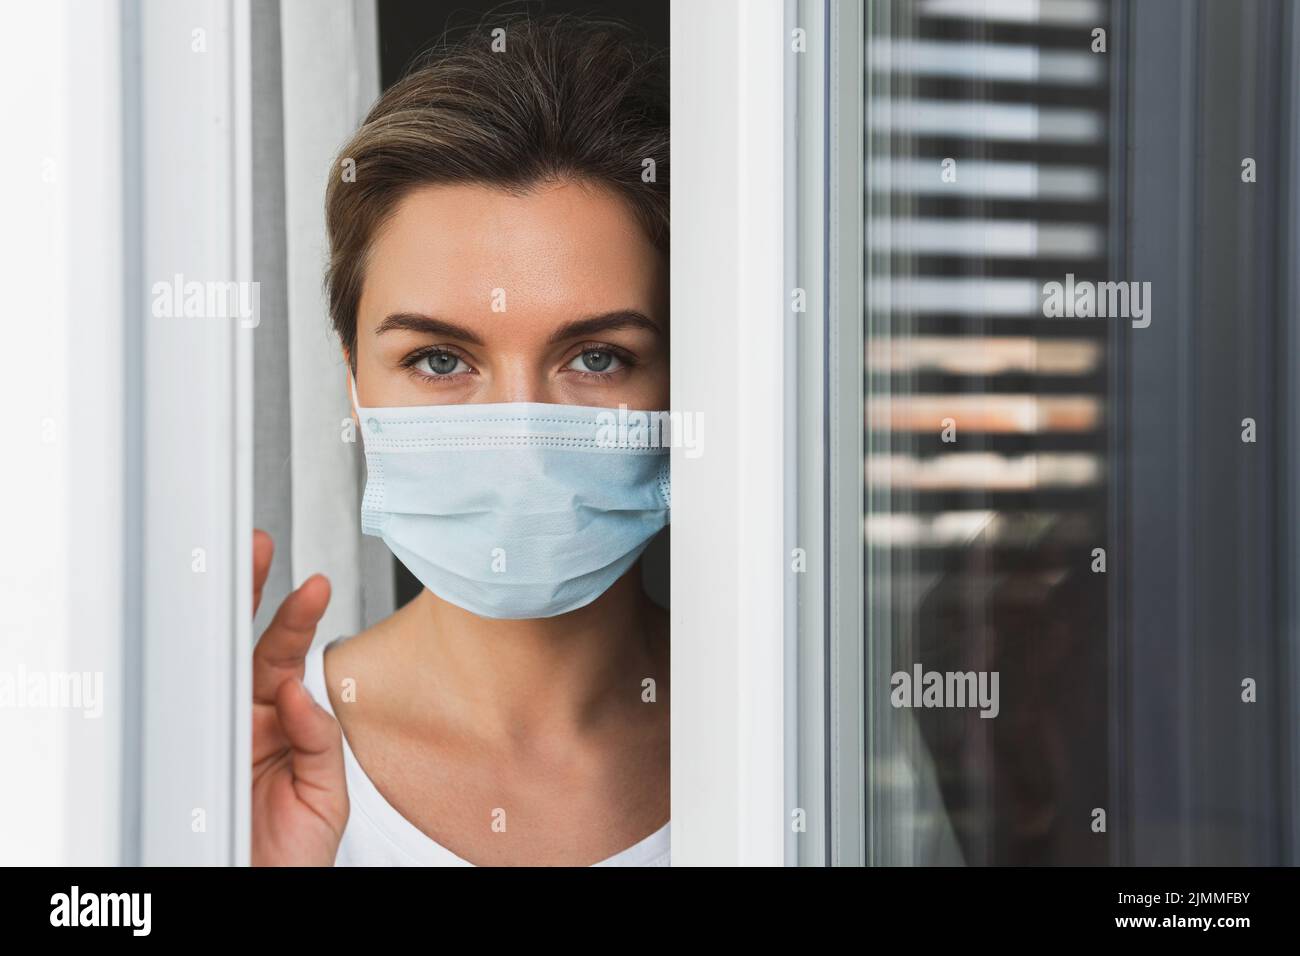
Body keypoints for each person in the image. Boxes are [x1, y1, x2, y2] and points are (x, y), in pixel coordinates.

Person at [249, 15, 671, 866]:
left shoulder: (806, 738)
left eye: (597, 356)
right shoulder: (252, 771)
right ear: (355, 386)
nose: (520, 432)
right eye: (439, 358)